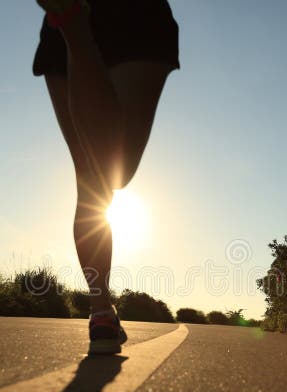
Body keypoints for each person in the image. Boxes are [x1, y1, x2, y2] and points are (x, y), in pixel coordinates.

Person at [32, 0, 180, 354]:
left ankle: (101, 311)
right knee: (109, 174)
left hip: (79, 20)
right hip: (131, 14)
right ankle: (74, 27)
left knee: (92, 179)